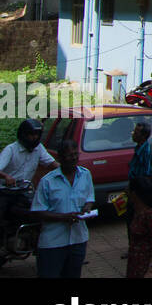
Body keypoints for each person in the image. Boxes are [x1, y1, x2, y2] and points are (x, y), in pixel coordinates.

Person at [29, 138, 95, 278]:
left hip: (78, 239)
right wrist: (63, 217)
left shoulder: (85, 175)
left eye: (76, 154)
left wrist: (87, 209)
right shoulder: (48, 181)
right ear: (60, 157)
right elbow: (37, 211)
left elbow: (89, 199)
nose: (74, 158)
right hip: (53, 242)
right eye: (69, 155)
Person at [125, 177, 152, 278]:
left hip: (148, 266)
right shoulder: (135, 212)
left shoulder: (150, 214)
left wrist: (150, 270)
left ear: (134, 194)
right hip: (135, 264)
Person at [0, 118, 56, 187]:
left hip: (24, 190)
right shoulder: (11, 149)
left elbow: (52, 164)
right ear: (24, 134)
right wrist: (6, 176)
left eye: (37, 134)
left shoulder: (39, 148)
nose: (35, 137)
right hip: (6, 189)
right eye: (31, 134)